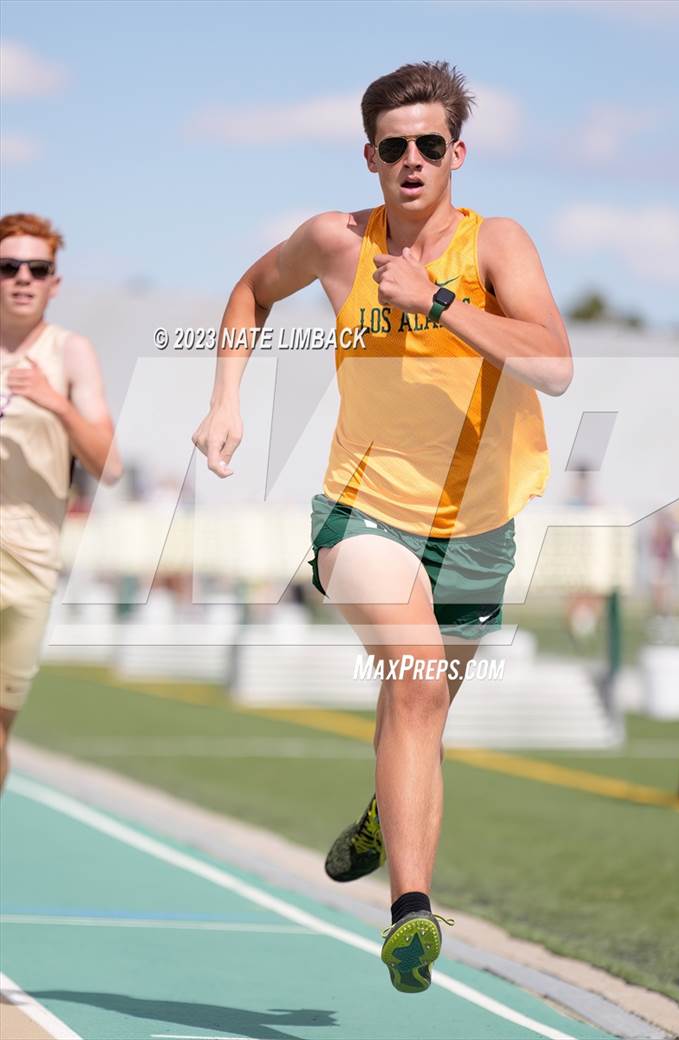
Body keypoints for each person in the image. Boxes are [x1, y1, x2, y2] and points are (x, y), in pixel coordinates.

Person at [192, 61, 572, 993]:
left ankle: (381, 815)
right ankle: (410, 912)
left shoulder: (497, 246)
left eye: (429, 146)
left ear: (457, 154)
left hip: (480, 524)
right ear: (369, 156)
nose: (412, 160)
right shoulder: (335, 241)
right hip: (363, 510)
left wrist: (439, 302)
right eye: (393, 146)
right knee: (412, 688)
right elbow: (251, 290)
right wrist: (226, 397)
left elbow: (556, 365)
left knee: (428, 710)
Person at [0, 213, 123, 789]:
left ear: (54, 282)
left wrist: (55, 402)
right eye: (8, 267)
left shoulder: (70, 353)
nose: (22, 278)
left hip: (32, 562)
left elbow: (110, 465)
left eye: (37, 268)